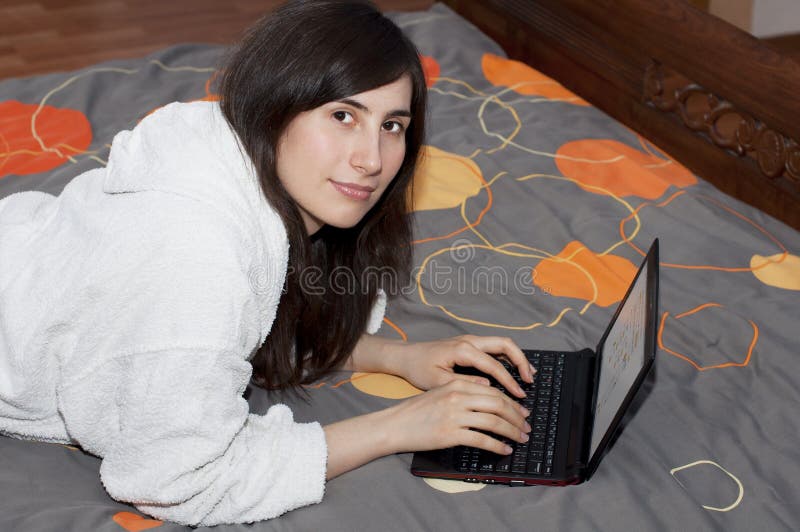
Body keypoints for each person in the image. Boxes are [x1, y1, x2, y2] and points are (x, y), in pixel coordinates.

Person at [0, 0, 534, 526]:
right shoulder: (195, 262)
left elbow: (256, 330)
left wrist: (399, 357)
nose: (371, 159)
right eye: (343, 116)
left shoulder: (241, 168)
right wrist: (399, 426)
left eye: (392, 125)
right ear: (274, 105)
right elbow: (176, 480)